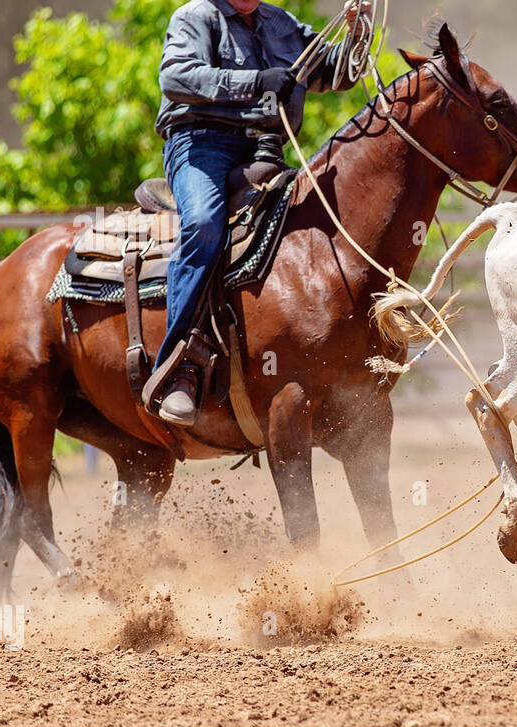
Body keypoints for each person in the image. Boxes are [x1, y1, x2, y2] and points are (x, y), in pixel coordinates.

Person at [148, 0, 369, 426]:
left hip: (264, 149)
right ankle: (180, 367)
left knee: (314, 225)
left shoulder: (281, 23)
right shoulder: (195, 16)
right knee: (204, 224)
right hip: (201, 145)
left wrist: (357, 32)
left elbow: (334, 71)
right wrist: (255, 82)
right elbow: (175, 78)